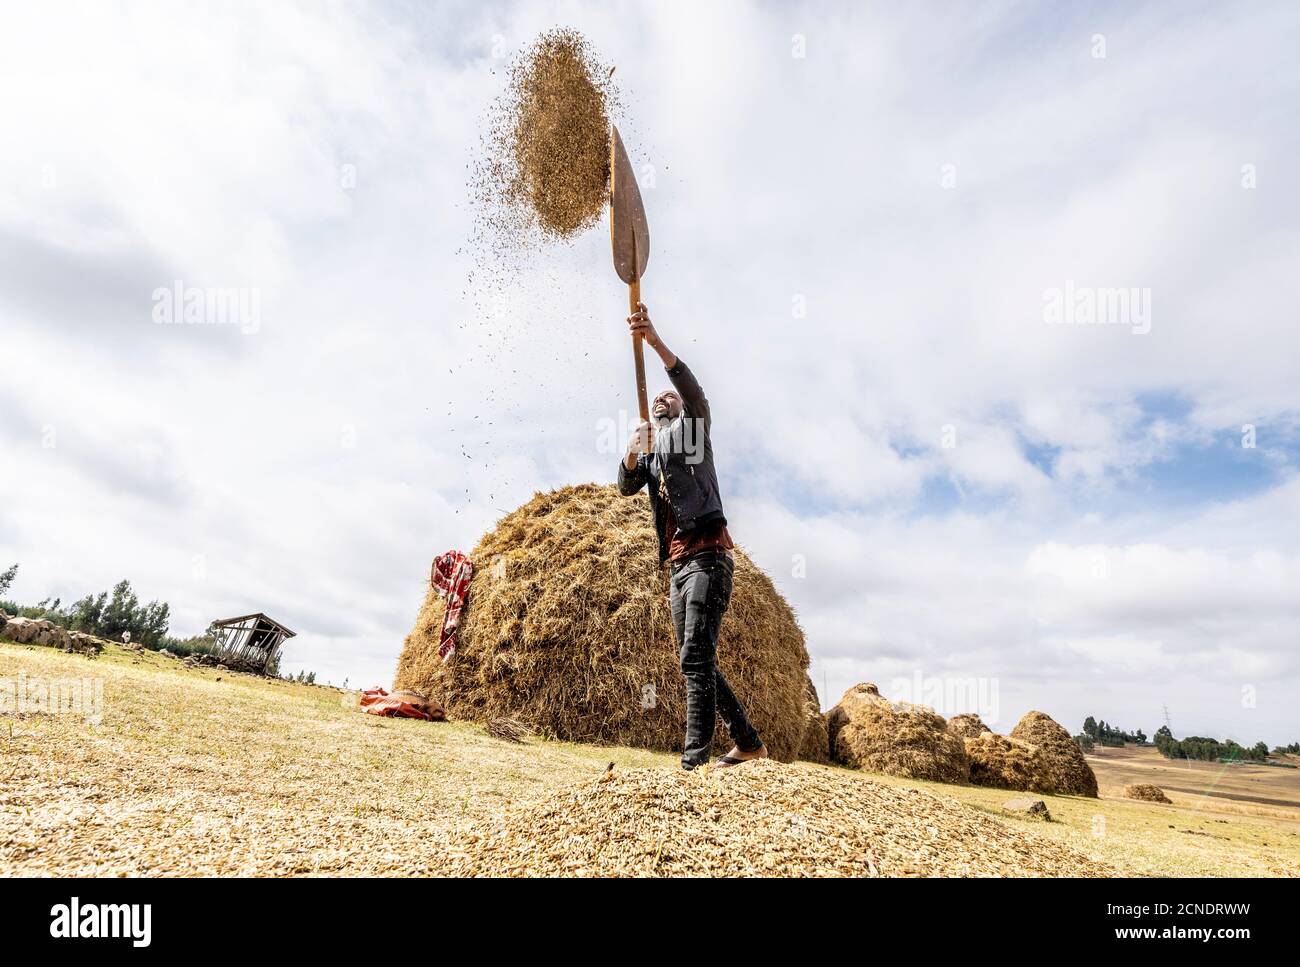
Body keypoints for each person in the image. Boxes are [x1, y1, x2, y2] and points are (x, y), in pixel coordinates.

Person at [617, 302, 768, 770]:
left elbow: (694, 393)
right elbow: (626, 486)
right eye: (658, 398)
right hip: (679, 566)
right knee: (694, 660)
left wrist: (655, 342)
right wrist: (630, 452)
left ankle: (691, 765)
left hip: (708, 556)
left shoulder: (693, 432)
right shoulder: (656, 453)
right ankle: (747, 742)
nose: (662, 398)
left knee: (695, 655)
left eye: (670, 397)